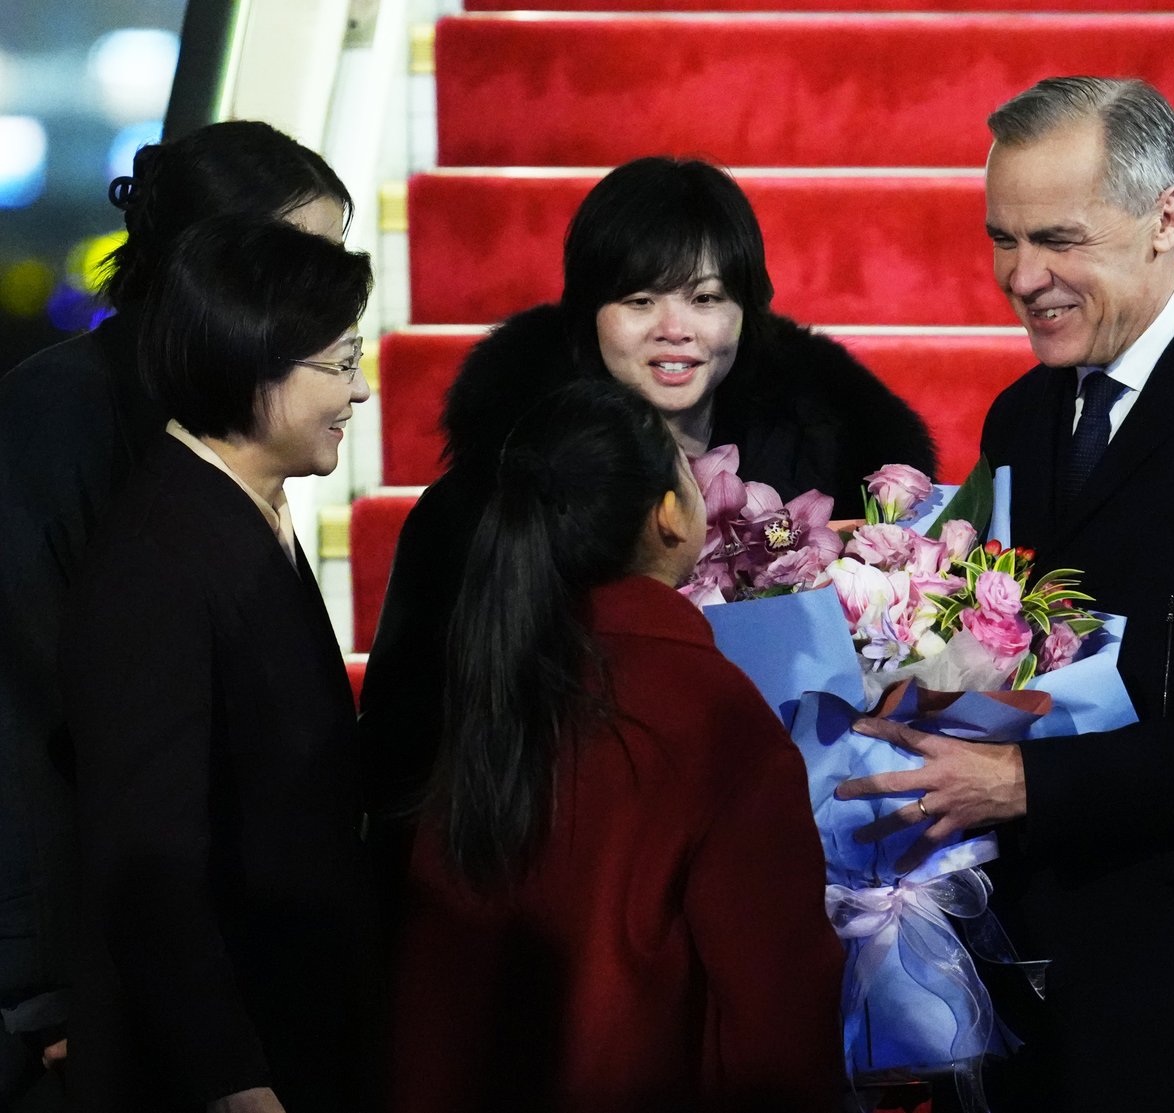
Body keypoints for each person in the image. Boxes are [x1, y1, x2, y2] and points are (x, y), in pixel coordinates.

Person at [839, 77, 1174, 1111]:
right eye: (1000, 239)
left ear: (1163, 217)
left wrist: (1019, 787)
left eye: (1056, 239)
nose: (1021, 275)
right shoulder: (1018, 416)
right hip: (1031, 1000)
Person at [359, 155, 936, 868]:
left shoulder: (840, 476)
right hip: (562, 870)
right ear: (589, 314)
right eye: (639, 301)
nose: (675, 329)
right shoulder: (492, 496)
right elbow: (404, 740)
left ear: (746, 311)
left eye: (705, 298)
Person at [0, 120, 351, 1109]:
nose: (331, 318)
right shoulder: (56, 421)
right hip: (111, 975)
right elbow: (30, 726)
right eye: (303, 267)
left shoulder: (245, 416)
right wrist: (47, 991)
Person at [389, 378, 844, 1113]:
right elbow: (777, 1013)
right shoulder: (712, 711)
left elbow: (434, 986)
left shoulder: (495, 676)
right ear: (668, 516)